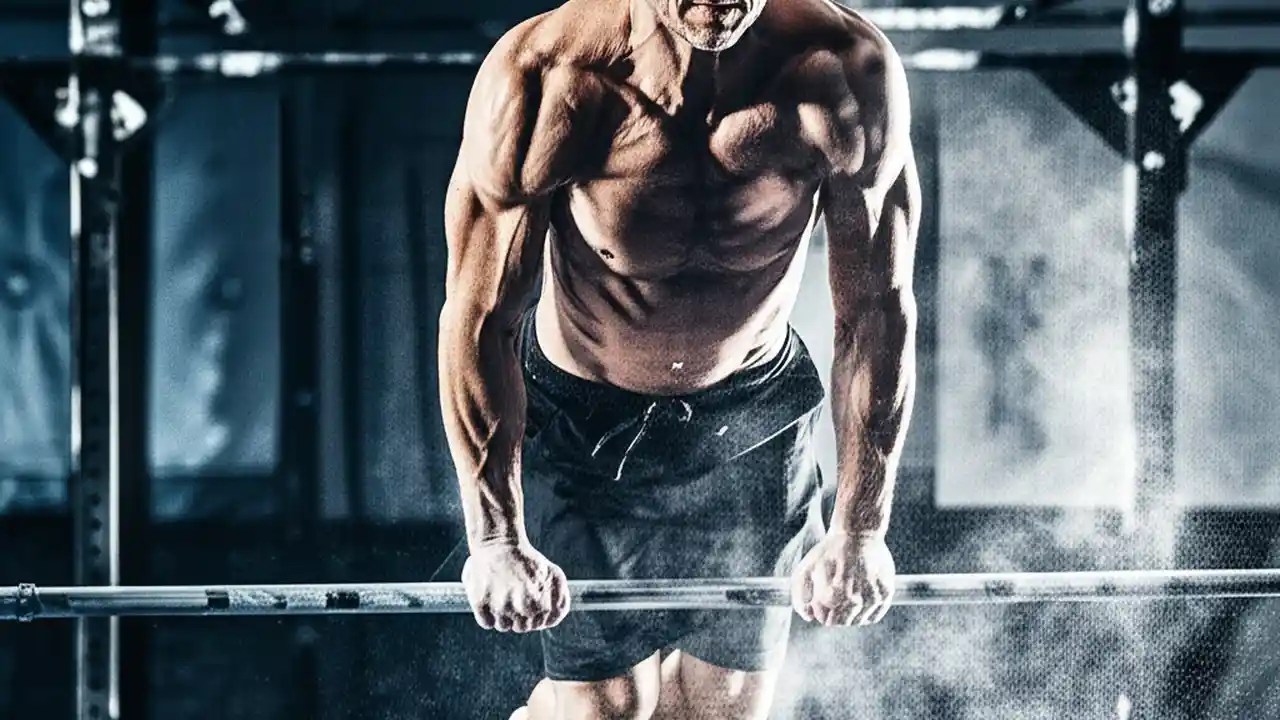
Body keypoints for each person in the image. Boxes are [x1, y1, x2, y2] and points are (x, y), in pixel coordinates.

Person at [439, 0, 919, 716]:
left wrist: (860, 530)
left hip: (750, 420)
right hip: (583, 425)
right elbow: (482, 318)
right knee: (610, 711)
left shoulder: (843, 72)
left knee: (722, 711)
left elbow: (874, 313)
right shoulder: (547, 76)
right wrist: (496, 537)